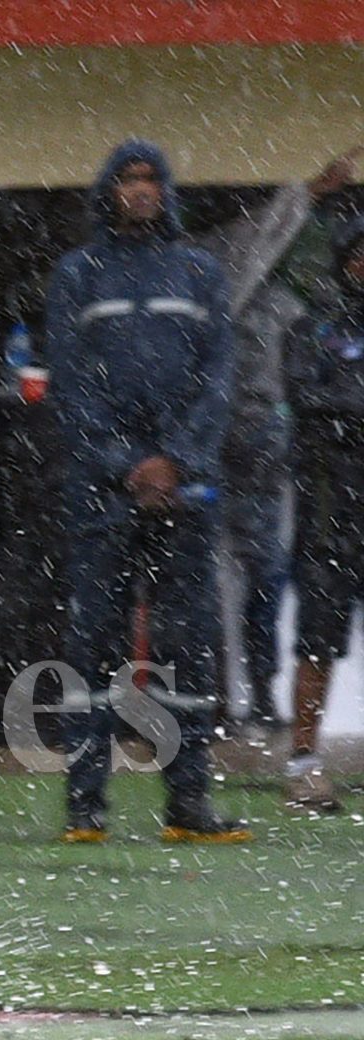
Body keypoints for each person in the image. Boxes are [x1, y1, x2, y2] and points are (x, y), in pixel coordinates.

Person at [46, 140, 243, 844]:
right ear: (109, 189)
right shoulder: (78, 274)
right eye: (128, 179)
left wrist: (176, 462)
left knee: (187, 651)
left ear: (167, 190)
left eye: (151, 178)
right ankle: (86, 808)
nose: (141, 189)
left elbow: (220, 378)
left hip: (183, 495)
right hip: (103, 496)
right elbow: (69, 387)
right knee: (93, 647)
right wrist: (128, 465)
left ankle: (188, 805)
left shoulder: (200, 272)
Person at [198, 149, 361, 732]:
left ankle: (260, 691)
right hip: (222, 447)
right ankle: (227, 696)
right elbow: (251, 248)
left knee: (265, 573)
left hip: (276, 453)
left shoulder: (300, 310)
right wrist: (308, 194)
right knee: (224, 576)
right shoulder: (214, 274)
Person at [279, 215, 364, 813]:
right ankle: (304, 765)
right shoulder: (316, 327)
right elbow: (306, 397)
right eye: (359, 253)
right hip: (332, 506)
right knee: (318, 639)